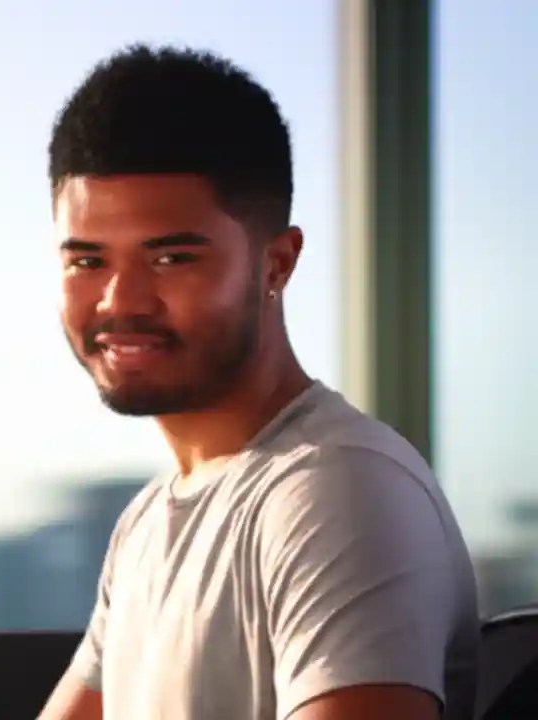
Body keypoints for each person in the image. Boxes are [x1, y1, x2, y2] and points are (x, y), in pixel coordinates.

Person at [36, 45, 479, 720]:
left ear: (277, 263)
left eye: (171, 257)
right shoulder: (146, 524)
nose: (120, 300)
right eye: (88, 261)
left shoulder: (332, 490)